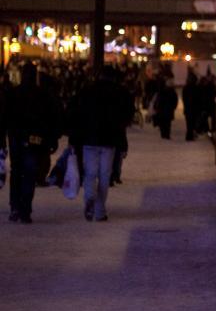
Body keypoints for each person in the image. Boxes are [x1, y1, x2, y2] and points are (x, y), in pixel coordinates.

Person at [68, 64, 132, 222]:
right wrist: (122, 144)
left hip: (89, 139)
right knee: (105, 175)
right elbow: (124, 120)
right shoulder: (120, 93)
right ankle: (100, 210)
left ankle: (89, 196)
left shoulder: (86, 92)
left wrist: (74, 140)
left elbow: (76, 115)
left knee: (90, 173)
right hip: (109, 140)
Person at [5, 61, 61, 223]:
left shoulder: (14, 93)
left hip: (16, 136)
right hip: (34, 138)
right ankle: (25, 209)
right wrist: (51, 139)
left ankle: (15, 206)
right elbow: (51, 118)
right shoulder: (42, 95)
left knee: (17, 171)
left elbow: (6, 117)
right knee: (29, 172)